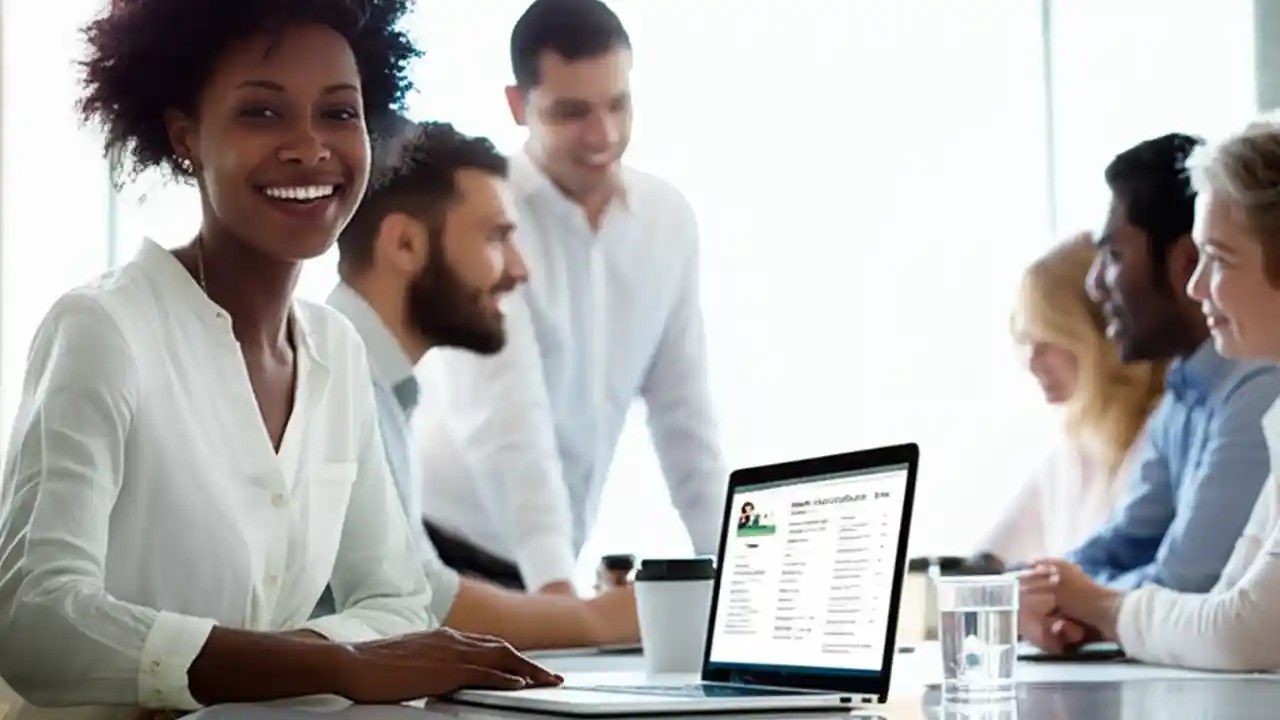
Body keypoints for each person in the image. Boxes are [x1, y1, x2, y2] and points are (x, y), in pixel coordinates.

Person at [0, 2, 558, 717]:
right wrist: (338, 665)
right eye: (262, 114)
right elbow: (35, 620)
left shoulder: (337, 351)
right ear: (185, 139)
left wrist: (275, 667)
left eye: (339, 113)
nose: (310, 146)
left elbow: (397, 601)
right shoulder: (105, 330)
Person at [414, 0, 728, 593]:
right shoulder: (485, 214)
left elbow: (684, 415)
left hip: (550, 564)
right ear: (518, 105)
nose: (602, 135)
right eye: (572, 113)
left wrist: (733, 572)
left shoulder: (667, 220)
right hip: (446, 553)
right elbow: (510, 422)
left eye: (618, 104)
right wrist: (560, 595)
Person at [328, 118, 639, 650]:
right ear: (404, 244)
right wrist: (603, 620)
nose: (520, 270)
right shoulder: (335, 378)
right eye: (497, 237)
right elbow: (419, 599)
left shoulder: (377, 383)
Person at [1021, 117, 1280, 670]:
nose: (1195, 286)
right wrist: (1051, 594)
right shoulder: (1256, 411)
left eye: (1220, 260)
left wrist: (1092, 604)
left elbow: (1233, 624)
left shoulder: (1257, 389)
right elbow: (1228, 599)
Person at [977, 233, 1165, 565]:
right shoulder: (1069, 452)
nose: (1032, 363)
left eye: (1048, 342)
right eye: (1027, 342)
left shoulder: (1161, 433)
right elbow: (988, 558)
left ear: (1100, 337)